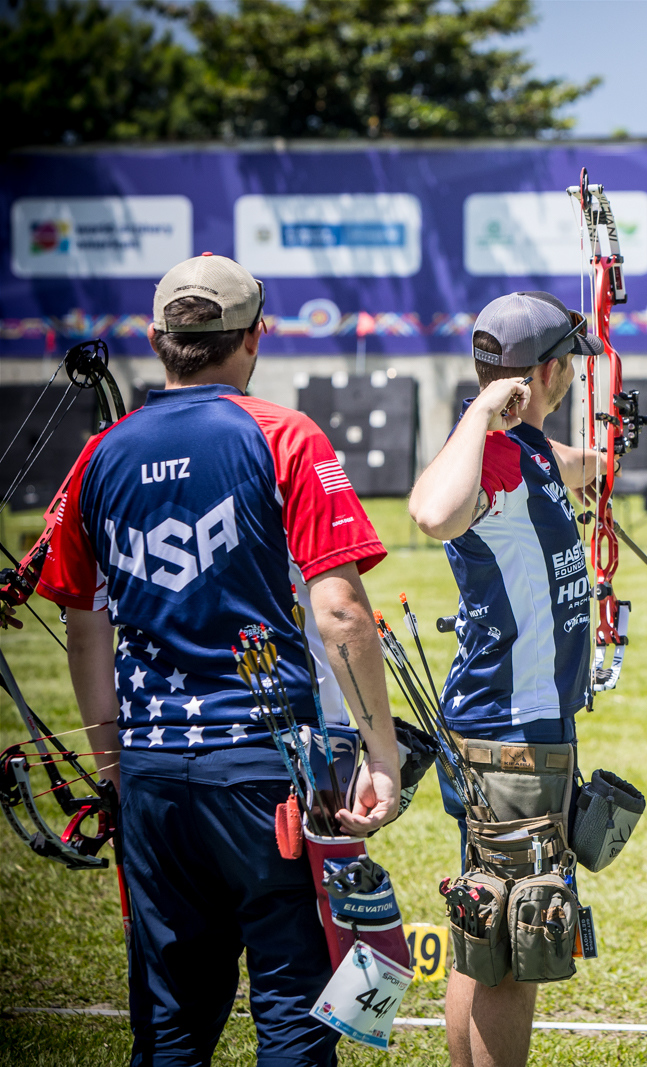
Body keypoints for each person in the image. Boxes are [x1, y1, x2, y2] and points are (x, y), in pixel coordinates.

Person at [36, 252, 401, 1066]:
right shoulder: (284, 435)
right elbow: (340, 609)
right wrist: (382, 754)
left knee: (170, 1030)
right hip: (268, 778)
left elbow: (86, 621)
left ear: (161, 340)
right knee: (295, 1014)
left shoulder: (101, 454)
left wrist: (112, 763)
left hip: (154, 779)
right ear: (255, 337)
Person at [408, 290, 600, 1067]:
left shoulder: (520, 452)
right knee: (520, 938)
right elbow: (430, 511)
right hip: (511, 734)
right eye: (570, 371)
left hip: (509, 726)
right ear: (547, 373)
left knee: (483, 922)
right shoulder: (487, 448)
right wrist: (486, 408)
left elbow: (567, 464)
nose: (576, 383)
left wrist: (599, 459)